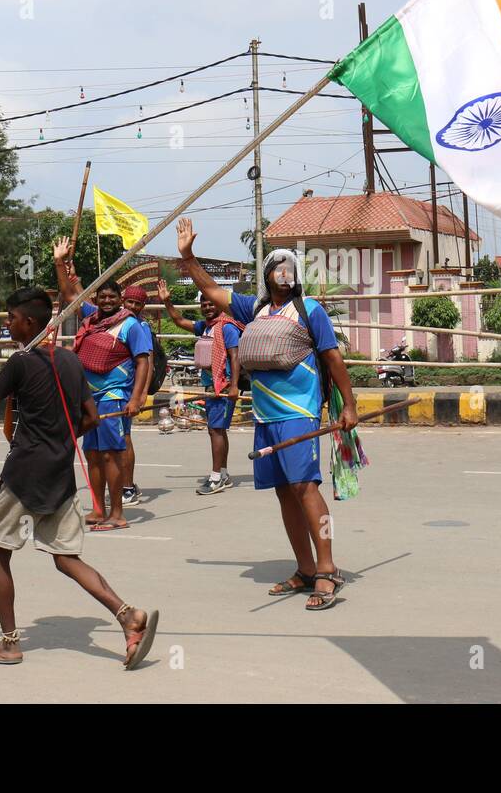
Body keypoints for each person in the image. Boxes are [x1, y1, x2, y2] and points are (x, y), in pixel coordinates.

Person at [0, 286, 158, 669]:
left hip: (24, 474)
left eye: (12, 319)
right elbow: (88, 419)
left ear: (30, 322)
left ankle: (8, 643)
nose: (9, 324)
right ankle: (128, 615)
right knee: (66, 558)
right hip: (59, 473)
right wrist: (58, 438)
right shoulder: (72, 362)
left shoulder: (20, 362)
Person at [173, 218, 358, 610]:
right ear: (267, 274)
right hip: (265, 417)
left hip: (298, 413)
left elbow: (333, 358)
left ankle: (327, 569)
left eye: (291, 266)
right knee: (283, 493)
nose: (286, 271)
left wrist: (350, 406)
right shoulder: (252, 309)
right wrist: (188, 257)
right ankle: (305, 568)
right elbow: (210, 291)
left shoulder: (310, 311)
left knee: (305, 488)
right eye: (278, 265)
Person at [53, 237, 151, 530]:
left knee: (111, 454)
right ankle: (98, 508)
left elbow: (143, 362)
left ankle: (117, 513)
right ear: (96, 299)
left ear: (119, 299)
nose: (107, 301)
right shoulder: (92, 319)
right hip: (88, 399)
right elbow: (70, 295)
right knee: (92, 454)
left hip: (114, 396)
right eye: (102, 297)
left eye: (112, 297)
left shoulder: (130, 324)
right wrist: (60, 262)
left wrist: (137, 399)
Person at [156, 278, 242, 495]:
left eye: (211, 303)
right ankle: (222, 473)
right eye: (203, 304)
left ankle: (215, 478)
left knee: (215, 430)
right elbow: (179, 321)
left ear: (220, 305)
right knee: (218, 430)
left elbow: (235, 357)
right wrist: (167, 302)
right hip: (211, 385)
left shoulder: (226, 327)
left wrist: (233, 386)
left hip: (222, 386)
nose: (207, 307)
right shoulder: (206, 327)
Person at [118, 284, 153, 507]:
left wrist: (140, 394)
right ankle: (120, 485)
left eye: (137, 303)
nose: (132, 306)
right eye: (129, 302)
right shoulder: (114, 321)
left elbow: (147, 362)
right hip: (112, 390)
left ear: (142, 306)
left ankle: (128, 487)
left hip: (127, 390)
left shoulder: (140, 326)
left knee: (124, 437)